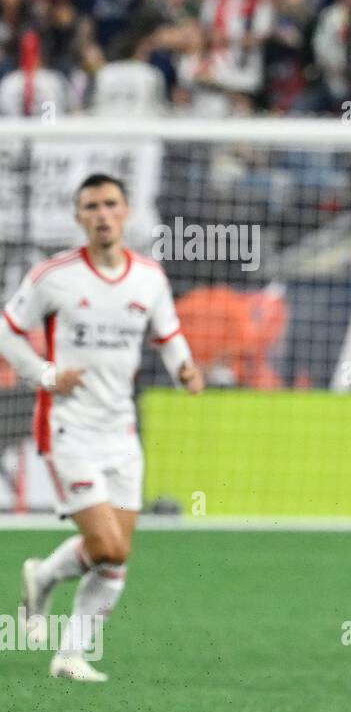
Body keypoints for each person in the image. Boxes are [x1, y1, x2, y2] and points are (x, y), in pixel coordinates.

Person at [3, 174, 204, 682]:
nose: (102, 214)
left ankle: (70, 651)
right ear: (78, 218)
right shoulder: (55, 276)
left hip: (122, 432)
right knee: (108, 546)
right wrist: (47, 375)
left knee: (115, 557)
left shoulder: (149, 278)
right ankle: (46, 576)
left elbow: (169, 334)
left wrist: (185, 367)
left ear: (126, 211)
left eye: (110, 204)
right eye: (90, 206)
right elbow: (7, 333)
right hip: (68, 428)